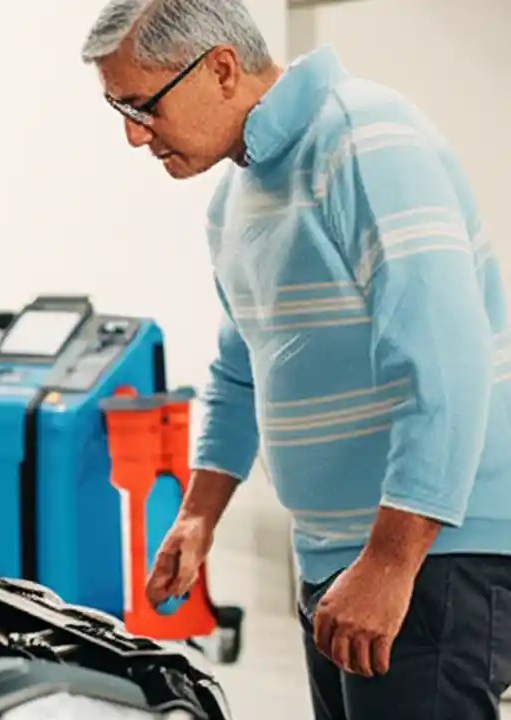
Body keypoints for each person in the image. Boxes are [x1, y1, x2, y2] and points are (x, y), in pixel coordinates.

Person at [81, 1, 511, 717]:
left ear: (220, 67)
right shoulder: (236, 197)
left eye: (142, 105)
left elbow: (447, 359)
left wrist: (390, 561)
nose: (133, 134)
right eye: (118, 110)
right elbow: (241, 368)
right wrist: (198, 516)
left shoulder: (364, 137)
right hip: (337, 554)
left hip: (432, 552)